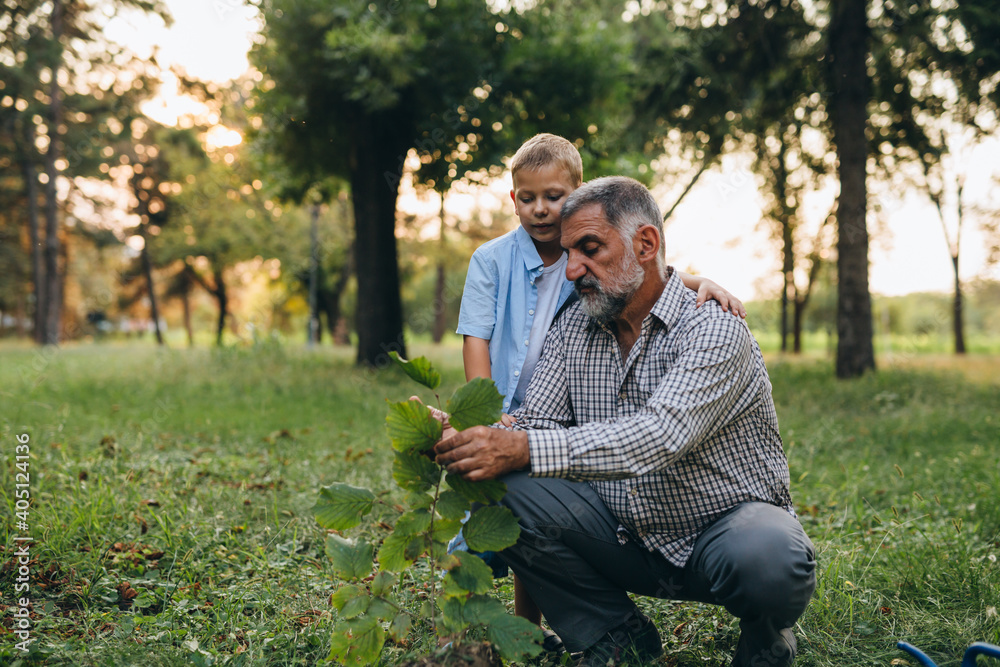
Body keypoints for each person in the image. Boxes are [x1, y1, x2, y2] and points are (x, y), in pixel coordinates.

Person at [437, 176, 816, 667]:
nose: (572, 270)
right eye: (568, 252)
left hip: (718, 538)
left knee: (772, 558)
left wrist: (522, 448)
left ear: (645, 243)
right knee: (505, 482)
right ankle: (613, 637)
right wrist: (464, 440)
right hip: (620, 536)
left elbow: (661, 434)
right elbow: (540, 423)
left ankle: (766, 640)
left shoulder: (714, 328)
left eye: (589, 249)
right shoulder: (575, 326)